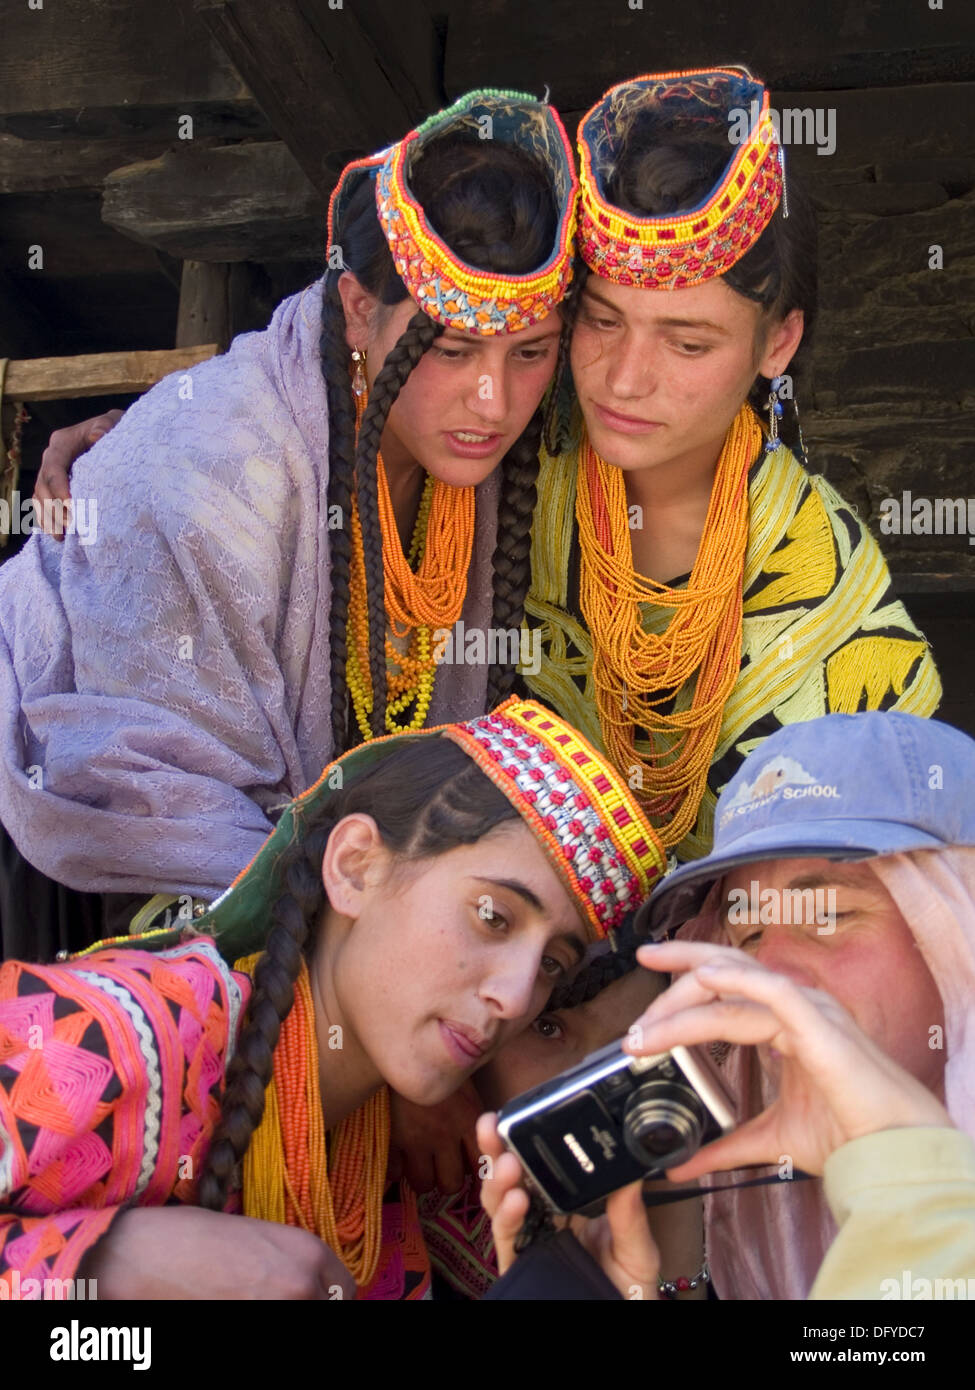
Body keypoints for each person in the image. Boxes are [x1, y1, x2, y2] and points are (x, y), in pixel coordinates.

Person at [0, 88, 578, 959]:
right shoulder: (205, 472)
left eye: (529, 353)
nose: (493, 402)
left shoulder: (497, 460)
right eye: (451, 350)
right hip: (102, 899)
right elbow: (174, 825)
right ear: (355, 308)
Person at [0, 697, 667, 1301]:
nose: (515, 996)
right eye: (492, 917)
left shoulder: (403, 1184)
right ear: (355, 868)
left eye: (552, 965)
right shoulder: (117, 1030)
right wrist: (108, 1263)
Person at [522, 68, 941, 860]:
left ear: (775, 343)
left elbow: (864, 893)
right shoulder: (501, 491)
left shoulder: (832, 605)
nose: (622, 378)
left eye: (687, 343)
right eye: (601, 319)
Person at [480, 709, 975, 1299]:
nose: (766, 976)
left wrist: (908, 1183)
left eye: (828, 915)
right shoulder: (770, 1221)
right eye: (747, 937)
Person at [417, 936, 708, 1300]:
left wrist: (678, 1214)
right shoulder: (383, 1162)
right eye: (549, 1028)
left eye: (622, 1054)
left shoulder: (669, 1193)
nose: (580, 1087)